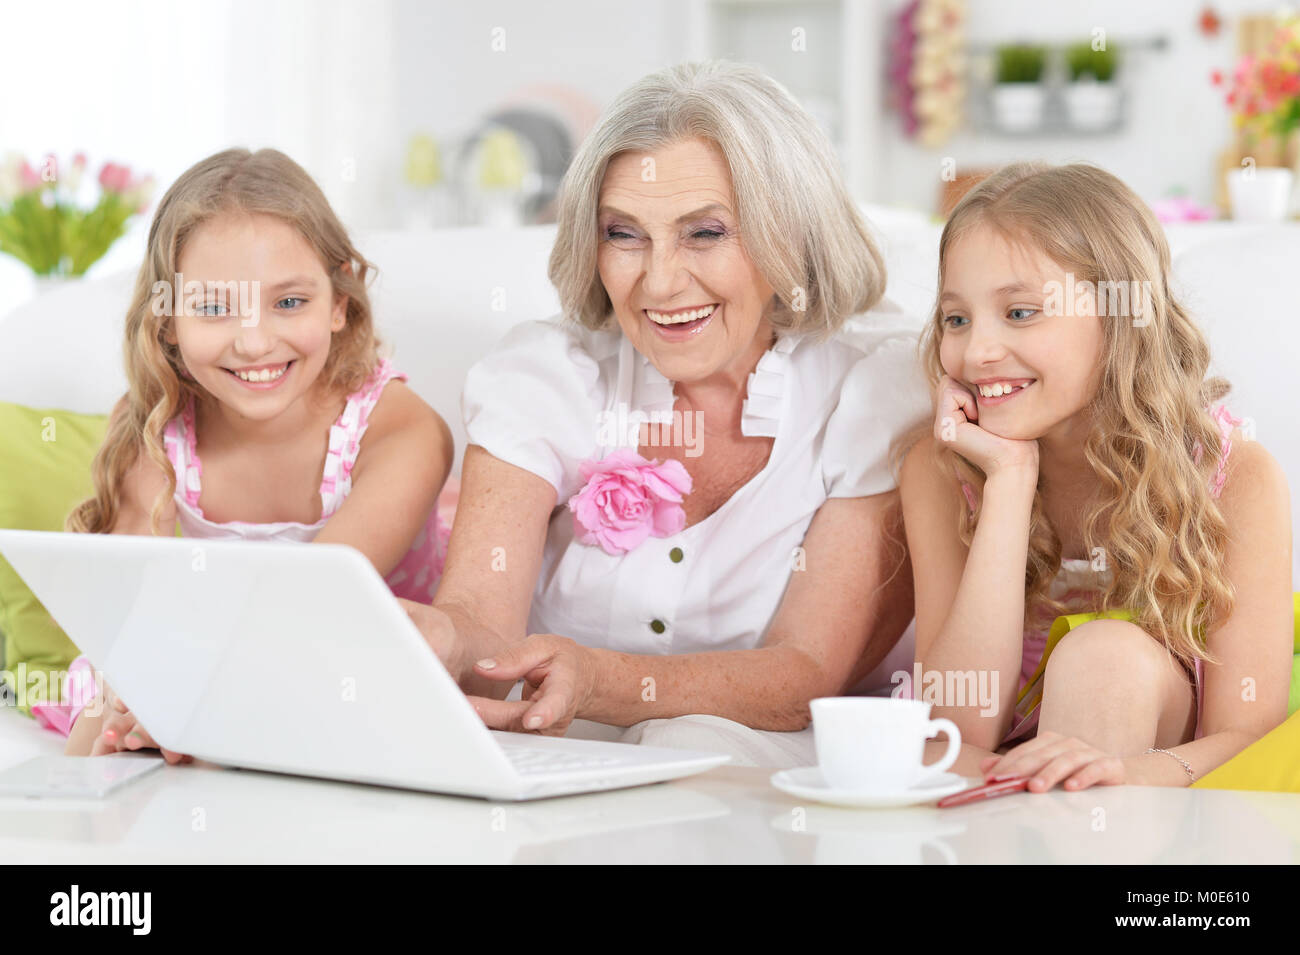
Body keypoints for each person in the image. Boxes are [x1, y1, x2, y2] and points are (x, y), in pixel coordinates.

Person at [400, 61, 930, 767]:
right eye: (624, 234)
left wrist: (599, 681)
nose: (659, 281)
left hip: (768, 772)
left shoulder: (871, 391)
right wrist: (439, 636)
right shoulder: (545, 376)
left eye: (704, 233)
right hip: (563, 765)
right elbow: (483, 626)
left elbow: (804, 670)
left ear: (792, 236)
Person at [898, 161, 1294, 790]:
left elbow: (1248, 739)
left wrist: (1117, 777)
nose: (976, 353)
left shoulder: (1236, 476)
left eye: (1021, 313)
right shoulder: (943, 471)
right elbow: (954, 729)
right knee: (914, 751)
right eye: (956, 319)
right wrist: (1008, 484)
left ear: (1120, 318)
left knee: (1104, 656)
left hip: (1152, 785)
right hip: (1011, 786)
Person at [58, 148, 453, 759]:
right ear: (167, 320)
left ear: (340, 298)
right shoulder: (155, 429)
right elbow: (137, 629)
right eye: (214, 308)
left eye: (289, 302)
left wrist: (193, 704)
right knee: (107, 722)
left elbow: (314, 613)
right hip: (192, 669)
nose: (255, 342)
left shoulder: (401, 433)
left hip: (346, 674)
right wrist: (132, 712)